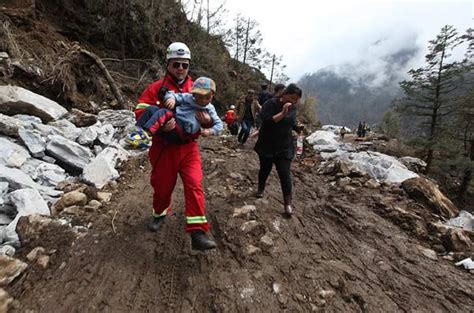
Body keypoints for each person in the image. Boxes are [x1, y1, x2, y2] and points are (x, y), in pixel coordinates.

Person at [134, 42, 216, 251]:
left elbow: (211, 118)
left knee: (194, 184)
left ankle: (198, 231)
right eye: (176, 64)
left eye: (185, 65)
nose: (180, 68)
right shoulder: (155, 88)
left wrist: (206, 122)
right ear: (168, 64)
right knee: (162, 188)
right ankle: (159, 213)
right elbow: (140, 112)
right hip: (164, 148)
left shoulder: (198, 88)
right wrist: (161, 126)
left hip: (189, 148)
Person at [254, 83, 303, 217]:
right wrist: (282, 113)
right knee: (265, 169)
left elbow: (291, 122)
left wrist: (297, 127)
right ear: (285, 94)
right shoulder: (270, 104)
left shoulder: (293, 108)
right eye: (291, 97)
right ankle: (260, 188)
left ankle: (287, 203)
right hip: (267, 144)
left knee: (284, 173)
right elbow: (268, 121)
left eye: (296, 99)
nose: (293, 101)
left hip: (284, 146)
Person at [137, 77, 223, 143]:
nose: (203, 101)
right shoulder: (188, 97)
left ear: (213, 95)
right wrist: (171, 99)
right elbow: (172, 94)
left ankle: (146, 136)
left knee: (164, 112)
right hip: (175, 120)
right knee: (152, 109)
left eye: (207, 98)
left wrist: (210, 131)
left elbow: (219, 125)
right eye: (200, 97)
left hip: (183, 131)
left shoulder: (210, 108)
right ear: (194, 94)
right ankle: (136, 131)